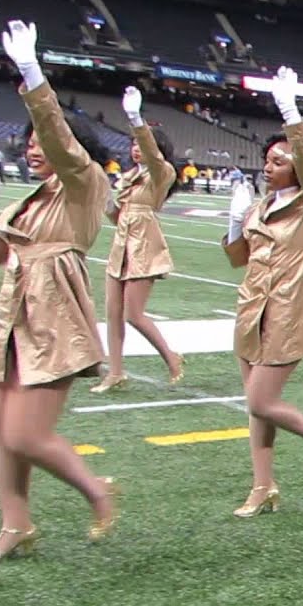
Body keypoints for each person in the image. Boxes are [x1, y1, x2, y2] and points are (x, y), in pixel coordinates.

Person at [0, 20, 120, 561]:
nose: (33, 148)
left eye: (40, 139)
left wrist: (30, 75)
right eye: (27, 142)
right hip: (12, 316)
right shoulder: (28, 201)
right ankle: (15, 524)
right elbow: (1, 253)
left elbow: (63, 145)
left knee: (24, 435)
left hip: (53, 316)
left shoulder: (85, 180)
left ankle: (96, 488)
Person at [220, 67, 303, 518]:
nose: (268, 167)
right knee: (257, 409)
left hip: (289, 308)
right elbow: (239, 259)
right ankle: (263, 486)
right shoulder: (260, 205)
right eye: (267, 160)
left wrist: (291, 113)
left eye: (279, 161)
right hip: (251, 307)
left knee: (260, 400)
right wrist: (235, 224)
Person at [93, 86, 185, 393]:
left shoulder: (164, 172)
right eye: (133, 143)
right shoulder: (129, 176)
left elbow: (155, 160)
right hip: (122, 243)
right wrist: (106, 202)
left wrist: (135, 118)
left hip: (145, 243)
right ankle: (116, 371)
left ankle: (171, 355)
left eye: (141, 143)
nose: (136, 148)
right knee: (112, 312)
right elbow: (118, 216)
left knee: (133, 313)